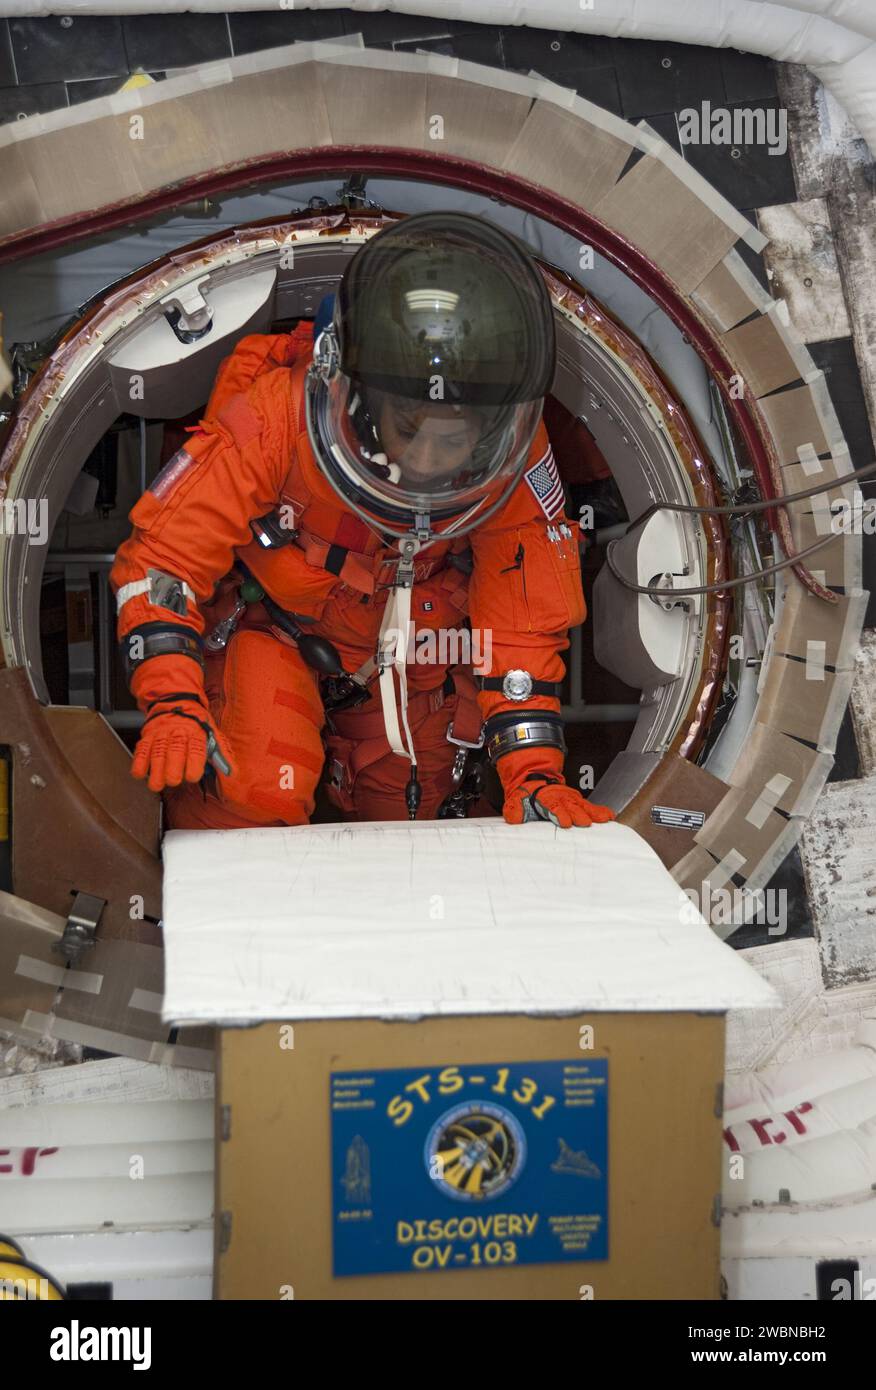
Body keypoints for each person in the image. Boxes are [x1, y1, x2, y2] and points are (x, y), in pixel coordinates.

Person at [110, 212, 615, 832]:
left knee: (420, 830)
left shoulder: (514, 463)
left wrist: (533, 772)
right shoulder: (277, 417)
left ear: (491, 430)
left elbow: (523, 622)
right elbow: (166, 557)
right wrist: (172, 694)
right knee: (257, 796)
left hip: (414, 651)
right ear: (360, 397)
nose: (427, 462)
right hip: (278, 629)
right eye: (408, 429)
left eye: (452, 440)